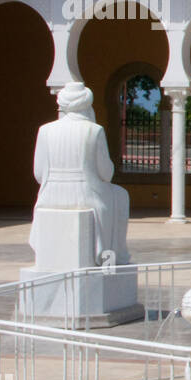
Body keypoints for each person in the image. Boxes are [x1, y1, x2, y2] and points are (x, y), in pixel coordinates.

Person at [30, 82, 131, 265]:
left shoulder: (44, 131)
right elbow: (106, 174)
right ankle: (116, 254)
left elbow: (38, 174)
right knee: (121, 195)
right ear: (87, 104)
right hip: (87, 197)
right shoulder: (94, 130)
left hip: (49, 197)